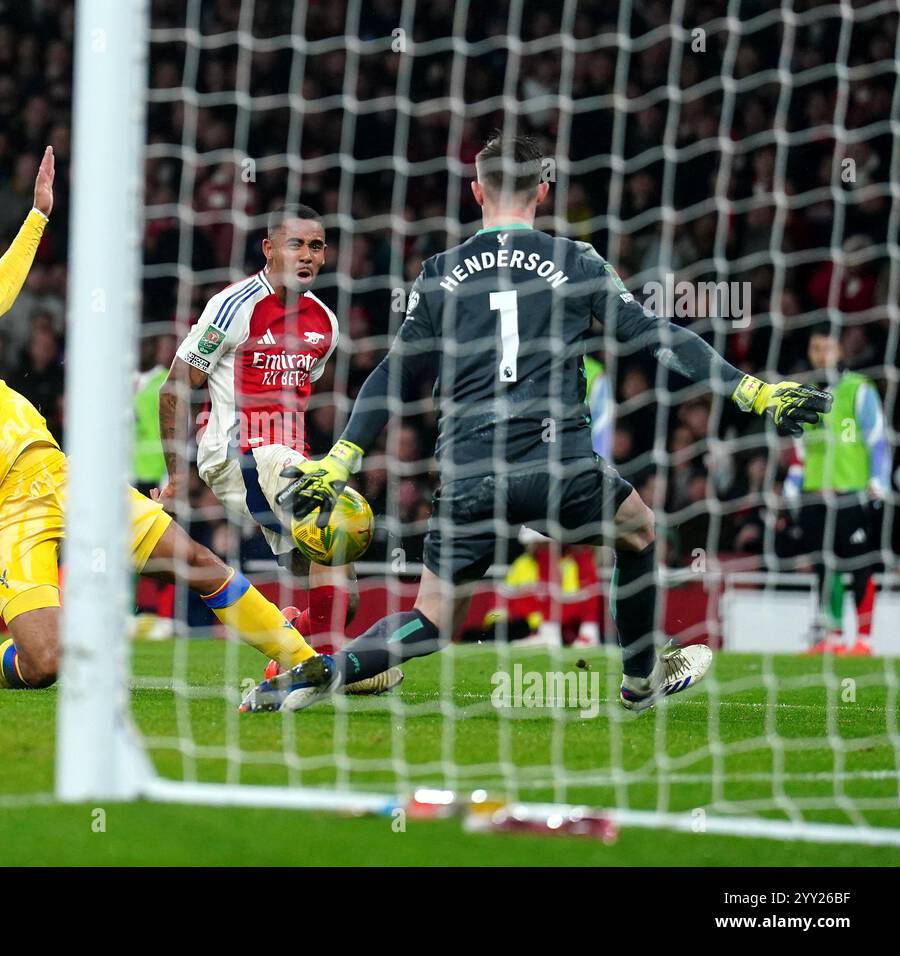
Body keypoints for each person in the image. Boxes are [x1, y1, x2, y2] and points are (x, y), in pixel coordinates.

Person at [243, 132, 831, 713]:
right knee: (638, 530)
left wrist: (343, 456)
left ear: (476, 191)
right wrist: (753, 390)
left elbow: (393, 376)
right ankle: (641, 677)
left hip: (469, 473)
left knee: (430, 621)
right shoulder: (577, 261)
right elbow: (653, 336)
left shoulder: (441, 272)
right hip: (559, 466)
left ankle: (326, 670)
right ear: (543, 191)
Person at [0, 147, 321, 689]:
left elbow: (1, 286)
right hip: (0, 508)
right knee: (46, 664)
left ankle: (304, 660)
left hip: (59, 471)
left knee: (197, 560)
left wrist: (38, 215)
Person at [155, 204, 400, 695]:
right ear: (269, 249)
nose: (307, 255)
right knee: (333, 521)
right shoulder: (234, 306)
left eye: (316, 246)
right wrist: (177, 473)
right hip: (238, 450)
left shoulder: (325, 325)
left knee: (340, 590)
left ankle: (291, 650)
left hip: (287, 457)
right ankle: (332, 668)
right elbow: (174, 387)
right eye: (295, 244)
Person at [780, 325, 890, 655]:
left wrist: (879, 479)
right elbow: (802, 449)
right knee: (824, 567)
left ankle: (864, 640)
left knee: (858, 565)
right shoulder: (806, 395)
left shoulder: (859, 389)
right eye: (816, 349)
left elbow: (877, 439)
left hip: (852, 490)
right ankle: (833, 636)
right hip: (816, 492)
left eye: (827, 348)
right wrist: (792, 483)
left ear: (840, 351)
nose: (821, 355)